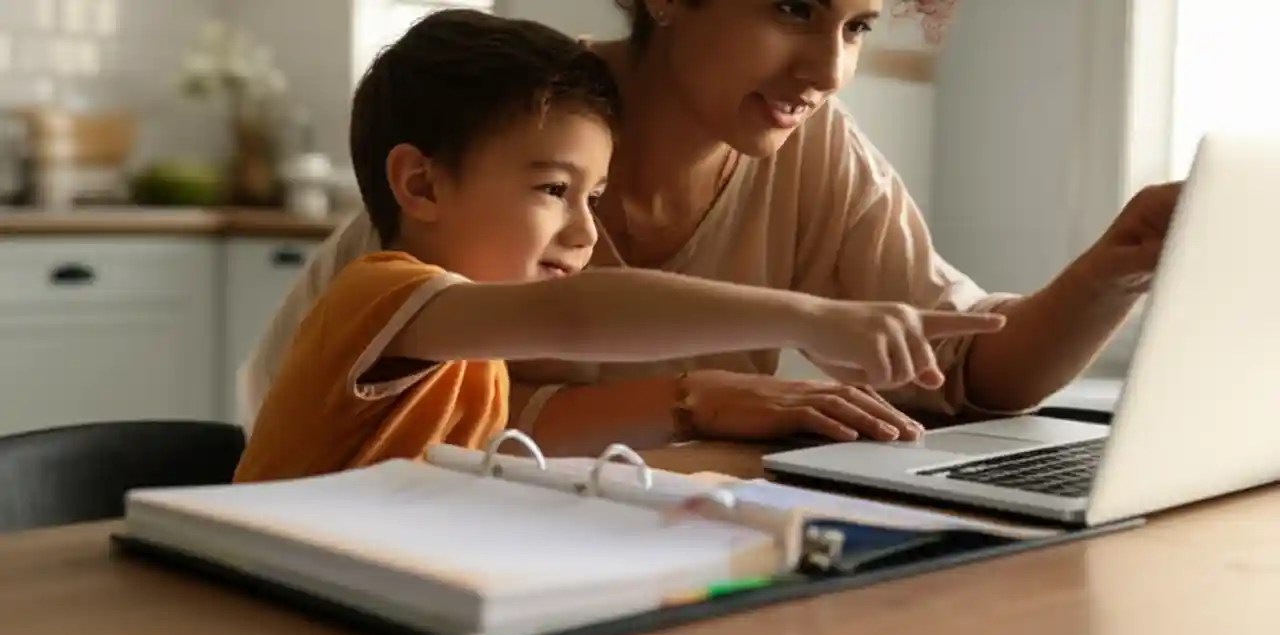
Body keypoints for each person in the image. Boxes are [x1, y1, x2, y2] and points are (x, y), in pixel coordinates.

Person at [239, 0, 1181, 457]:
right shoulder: (504, 131)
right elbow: (558, 335)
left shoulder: (815, 152)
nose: (826, 69)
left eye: (857, 26)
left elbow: (961, 366)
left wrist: (1117, 266)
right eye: (791, 7)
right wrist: (796, 324)